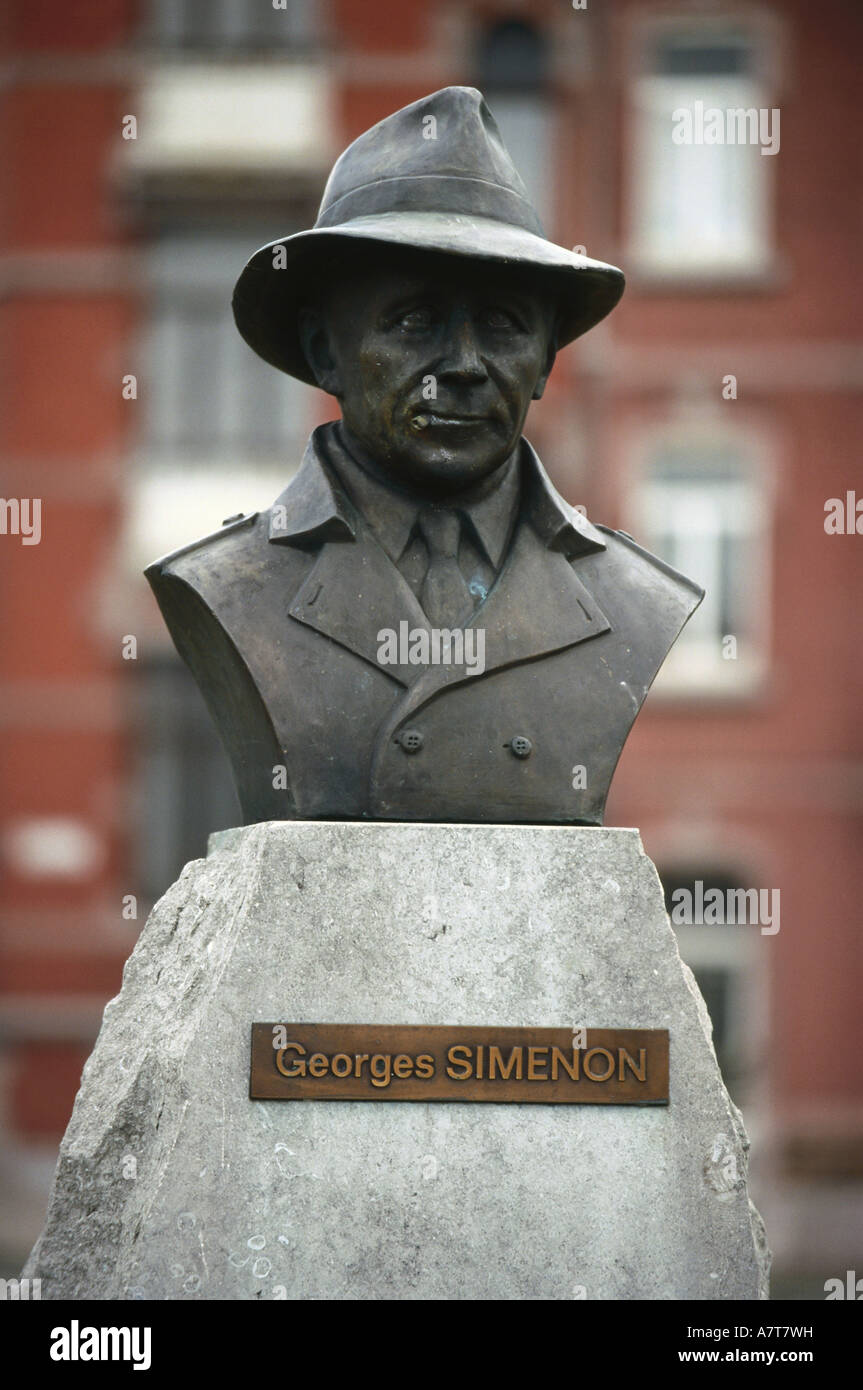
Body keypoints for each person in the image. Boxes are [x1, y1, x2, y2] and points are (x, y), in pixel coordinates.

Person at [146, 86, 702, 825]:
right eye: (413, 321)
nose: (463, 365)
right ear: (325, 352)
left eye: (503, 325)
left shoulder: (636, 599)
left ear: (542, 364)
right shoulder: (225, 584)